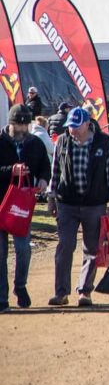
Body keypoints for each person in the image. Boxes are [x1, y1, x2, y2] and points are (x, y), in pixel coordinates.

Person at [47, 107, 109, 307]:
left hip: (95, 204)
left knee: (92, 249)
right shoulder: (62, 141)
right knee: (65, 246)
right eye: (70, 126)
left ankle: (84, 292)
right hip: (66, 203)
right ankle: (61, 292)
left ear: (87, 124)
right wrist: (51, 198)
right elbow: (55, 171)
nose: (72, 130)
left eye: (76, 126)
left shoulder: (103, 142)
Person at [0, 104, 51, 311]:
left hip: (21, 206)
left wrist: (43, 180)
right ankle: (2, 298)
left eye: (25, 126)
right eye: (19, 126)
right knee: (0, 254)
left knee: (23, 250)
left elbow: (45, 167)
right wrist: (10, 170)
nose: (22, 130)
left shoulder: (35, 143)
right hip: (1, 203)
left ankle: (20, 286)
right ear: (11, 123)